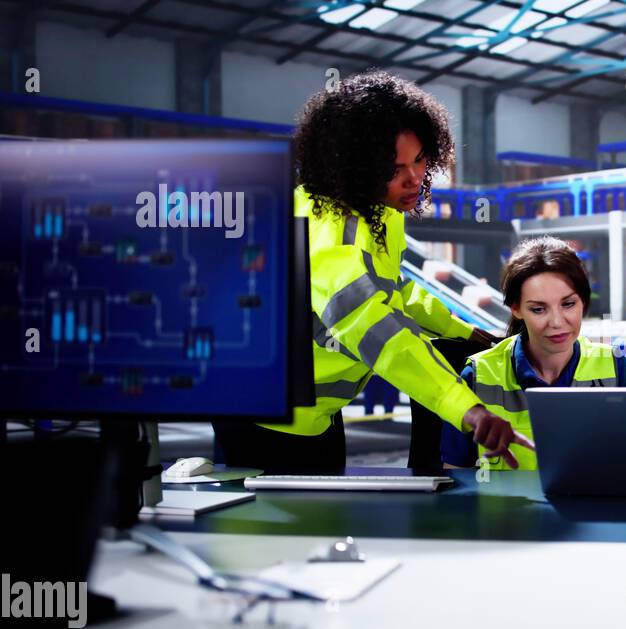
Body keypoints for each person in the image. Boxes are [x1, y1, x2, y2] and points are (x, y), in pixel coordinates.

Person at [213, 70, 530, 472]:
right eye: (394, 168)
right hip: (266, 419)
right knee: (281, 532)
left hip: (319, 412)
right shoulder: (330, 237)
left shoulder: (377, 208)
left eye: (419, 159)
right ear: (355, 166)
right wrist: (468, 411)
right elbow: (382, 333)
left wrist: (460, 330)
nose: (414, 178)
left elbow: (393, 290)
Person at [441, 237, 626, 470]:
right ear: (516, 309)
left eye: (568, 304)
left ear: (583, 300)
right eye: (538, 309)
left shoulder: (613, 366)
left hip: (589, 507)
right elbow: (456, 478)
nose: (556, 322)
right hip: (502, 507)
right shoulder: (478, 375)